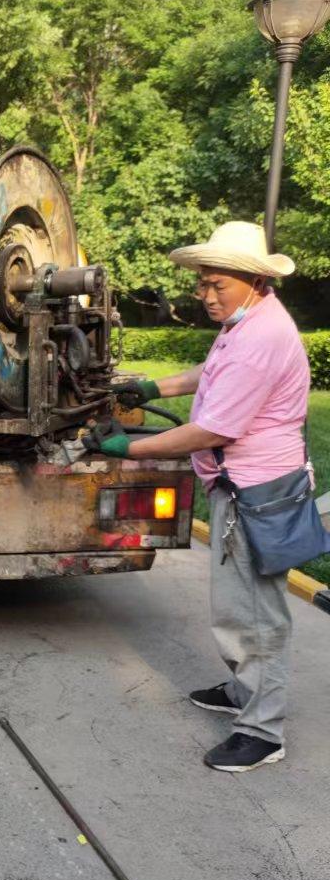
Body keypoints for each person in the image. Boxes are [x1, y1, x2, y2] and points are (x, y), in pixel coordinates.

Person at [86, 222, 309, 773]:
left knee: (255, 613)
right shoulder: (246, 321)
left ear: (255, 281)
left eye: (218, 285)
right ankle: (242, 691)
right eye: (202, 283)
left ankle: (263, 732)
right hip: (241, 486)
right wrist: (152, 387)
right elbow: (211, 371)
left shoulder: (260, 339)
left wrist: (127, 448)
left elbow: (212, 430)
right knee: (237, 604)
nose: (206, 295)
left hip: (258, 491)